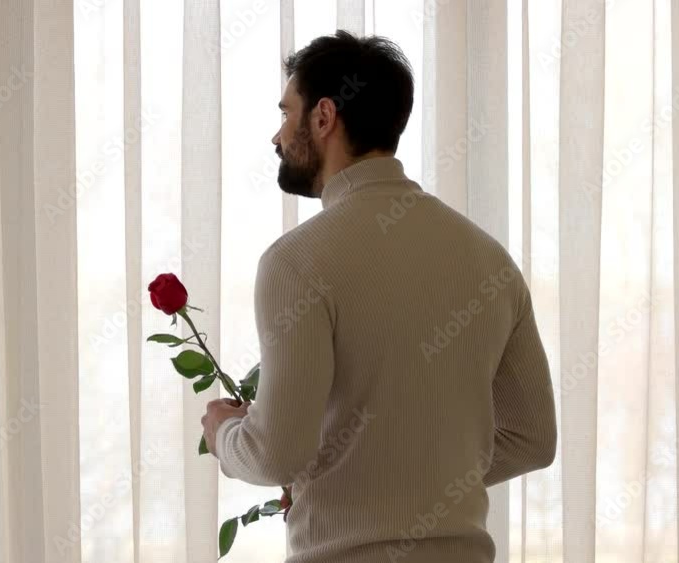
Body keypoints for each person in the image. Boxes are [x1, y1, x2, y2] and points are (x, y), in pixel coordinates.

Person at [200, 30, 556, 563]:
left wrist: (225, 432)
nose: (276, 136)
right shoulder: (489, 259)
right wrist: (422, 477)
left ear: (323, 117)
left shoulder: (295, 262)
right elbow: (532, 437)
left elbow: (276, 454)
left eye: (285, 112)